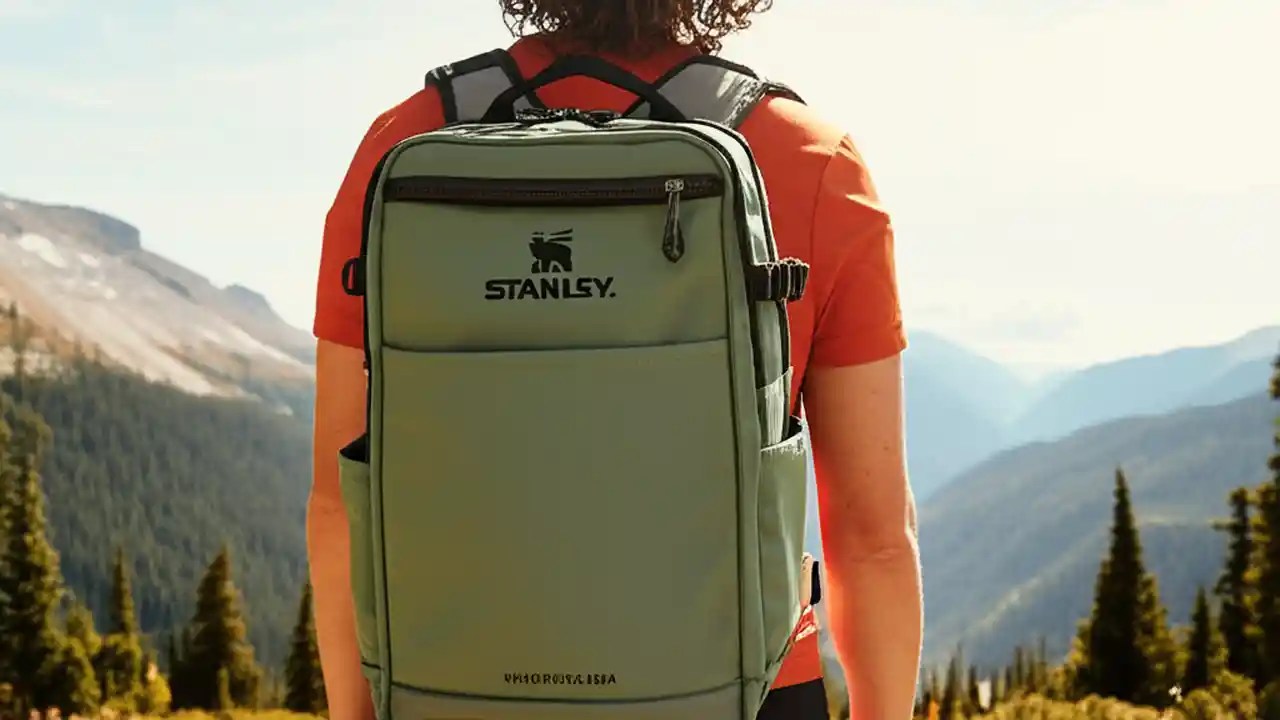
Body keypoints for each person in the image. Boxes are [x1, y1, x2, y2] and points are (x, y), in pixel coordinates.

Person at [307, 2, 923, 719]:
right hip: (744, 697)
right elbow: (872, 537)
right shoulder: (812, 159)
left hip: (449, 692)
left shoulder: (404, 143)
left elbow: (339, 504)